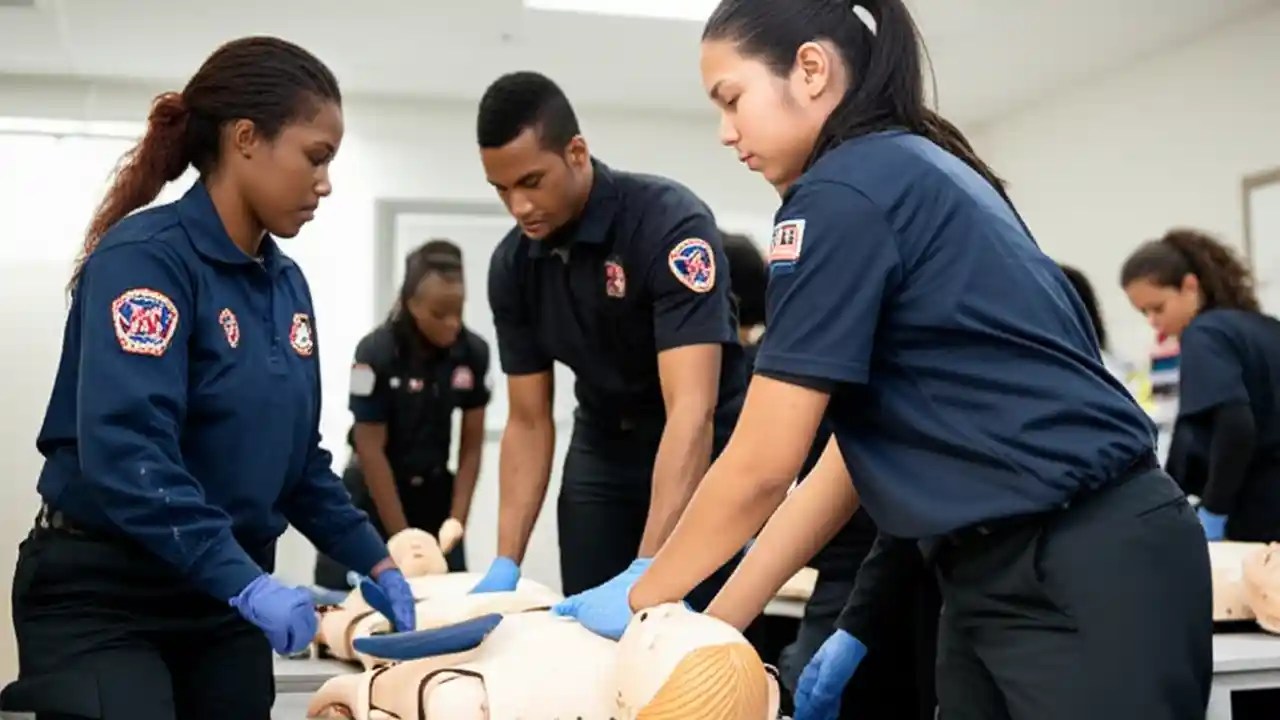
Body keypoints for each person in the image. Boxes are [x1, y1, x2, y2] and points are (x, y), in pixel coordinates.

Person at [551, 3, 1212, 720]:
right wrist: (708, 624)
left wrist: (647, 593)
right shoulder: (922, 167)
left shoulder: (839, 193)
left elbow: (763, 465)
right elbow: (845, 465)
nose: (725, 132)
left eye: (732, 99)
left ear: (810, 69)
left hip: (1079, 561)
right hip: (998, 568)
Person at [5, 37, 415, 720]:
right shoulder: (147, 262)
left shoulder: (285, 285)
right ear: (247, 138)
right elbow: (129, 454)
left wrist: (377, 562)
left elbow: (299, 464)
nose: (326, 182)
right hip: (107, 594)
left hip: (218, 597)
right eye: (316, 157)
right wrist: (249, 586)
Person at [468, 71, 749, 607]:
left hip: (700, 442)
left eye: (531, 182)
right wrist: (507, 561)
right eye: (502, 190)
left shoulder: (667, 224)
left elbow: (691, 410)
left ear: (576, 152)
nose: (518, 207)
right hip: (601, 446)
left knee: (690, 634)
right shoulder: (513, 265)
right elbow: (528, 420)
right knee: (590, 640)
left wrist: (648, 573)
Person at [722, 232, 938, 719]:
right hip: (867, 557)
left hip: (888, 557)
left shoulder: (815, 363)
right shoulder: (805, 357)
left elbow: (771, 475)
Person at [313, 239, 490, 590]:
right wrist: (404, 538)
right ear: (412, 305)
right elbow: (369, 446)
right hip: (372, 497)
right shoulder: (374, 352)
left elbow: (471, 447)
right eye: (440, 314)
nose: (453, 324)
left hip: (434, 497)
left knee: (444, 602)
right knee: (350, 604)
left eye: (459, 310)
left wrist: (456, 520)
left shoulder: (472, 352)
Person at [1121, 228, 1280, 543]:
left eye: (1158, 307)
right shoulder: (1264, 326)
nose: (1152, 321)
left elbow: (1234, 424)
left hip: (1259, 516)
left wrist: (1214, 512)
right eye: (1144, 313)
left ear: (1190, 286)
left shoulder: (1203, 334)